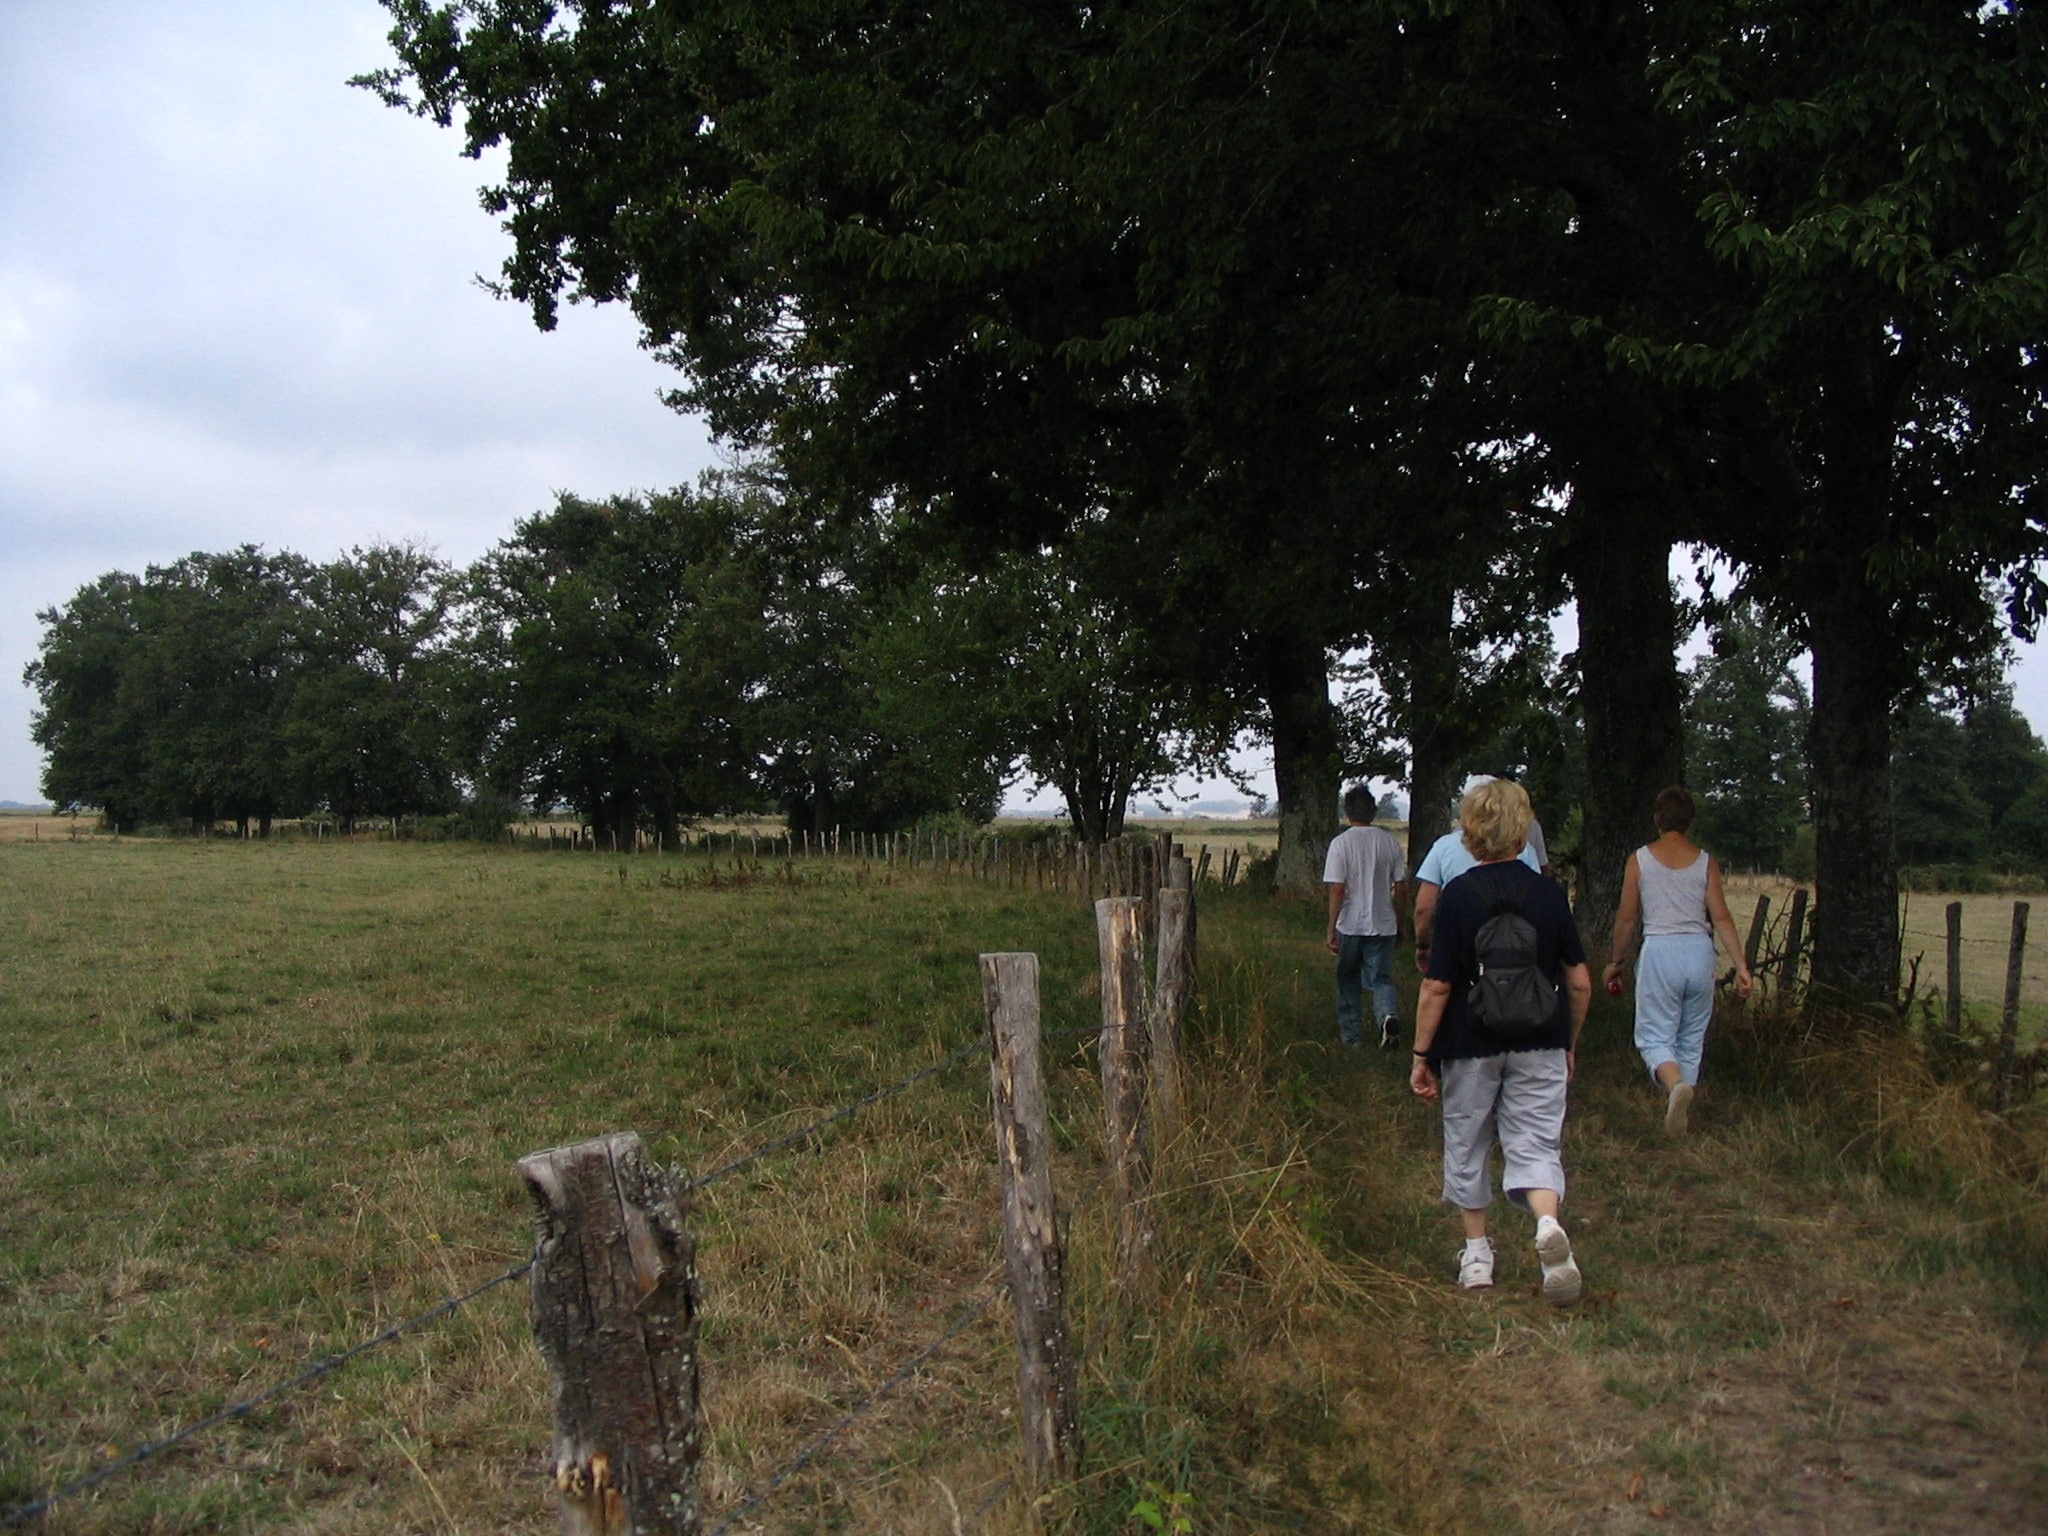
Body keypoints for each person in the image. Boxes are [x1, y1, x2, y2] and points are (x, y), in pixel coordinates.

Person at [1410, 778, 1593, 1303]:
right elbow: (1579, 982)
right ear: (1522, 832)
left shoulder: (1459, 896)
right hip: (1542, 1038)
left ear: (1470, 832)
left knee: (1467, 1138)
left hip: (1470, 1041)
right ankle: (1547, 1225)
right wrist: (1568, 1041)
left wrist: (1422, 1055)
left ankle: (1477, 1258)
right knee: (1536, 1139)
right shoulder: (1550, 895)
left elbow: (1437, 986)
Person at [1602, 785, 1754, 1136]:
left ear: (1657, 818)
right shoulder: (1706, 862)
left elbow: (1627, 917)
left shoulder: (1639, 860)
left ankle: (1675, 1088)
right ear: (1690, 821)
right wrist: (1741, 965)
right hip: (1699, 952)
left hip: (1661, 951)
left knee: (1654, 1036)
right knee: (1691, 1037)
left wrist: (1616, 960)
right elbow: (1721, 917)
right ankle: (1681, 1113)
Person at [1411, 783, 1542, 975]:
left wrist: (1423, 944)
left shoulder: (1443, 847)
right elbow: (1537, 898)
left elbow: (1424, 907)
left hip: (1459, 947)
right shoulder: (1527, 851)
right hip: (1516, 953)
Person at [1323, 785, 1408, 1049]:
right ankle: (1387, 1016)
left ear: (1347, 811)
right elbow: (1401, 888)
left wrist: (1331, 928)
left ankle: (1352, 1038)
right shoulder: (1390, 843)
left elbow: (1338, 889)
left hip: (1350, 924)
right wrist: (1401, 922)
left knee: (1348, 978)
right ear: (1373, 811)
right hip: (1383, 923)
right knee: (1380, 979)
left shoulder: (1340, 844)